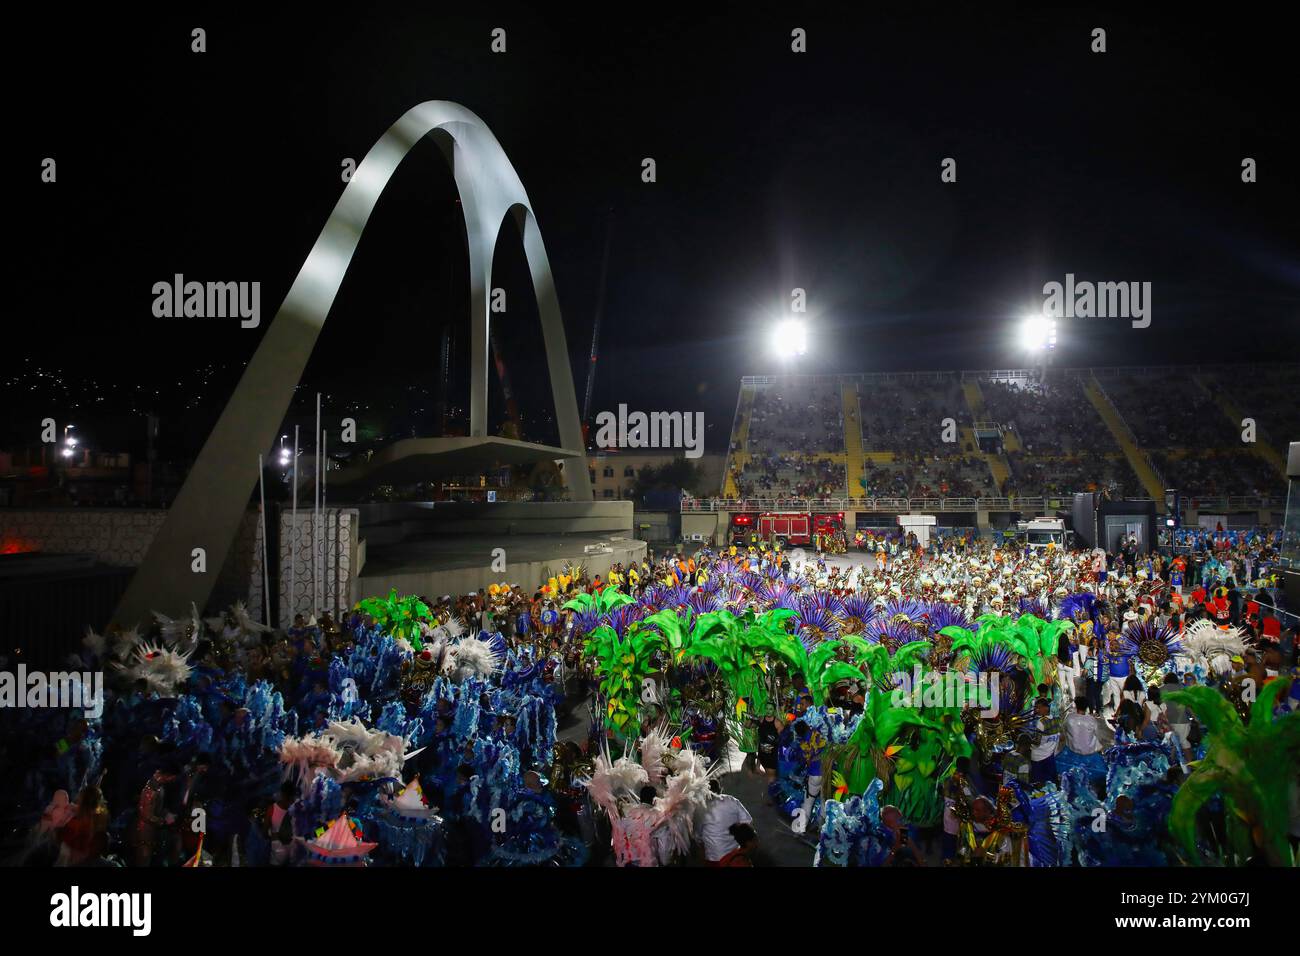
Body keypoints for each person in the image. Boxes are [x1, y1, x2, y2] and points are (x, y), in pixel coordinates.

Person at [698, 781, 754, 865]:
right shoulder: (732, 800)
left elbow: (697, 836)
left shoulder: (701, 808)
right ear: (720, 789)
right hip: (736, 854)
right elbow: (748, 822)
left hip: (714, 857)